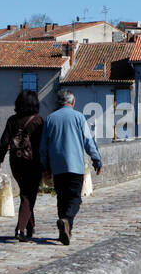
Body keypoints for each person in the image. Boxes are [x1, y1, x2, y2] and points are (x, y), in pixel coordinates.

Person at [38, 89, 101, 245]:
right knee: (75, 199)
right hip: (75, 166)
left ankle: (65, 231)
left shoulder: (50, 119)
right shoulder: (79, 117)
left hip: (57, 167)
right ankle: (66, 221)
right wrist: (96, 160)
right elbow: (88, 141)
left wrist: (45, 167)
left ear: (58, 103)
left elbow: (43, 148)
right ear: (73, 102)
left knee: (62, 198)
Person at [0, 90, 44, 242]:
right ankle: (20, 229)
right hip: (33, 162)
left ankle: (30, 226)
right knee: (28, 195)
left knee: (26, 192)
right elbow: (44, 146)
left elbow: (3, 143)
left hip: (16, 162)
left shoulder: (12, 121)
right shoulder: (38, 121)